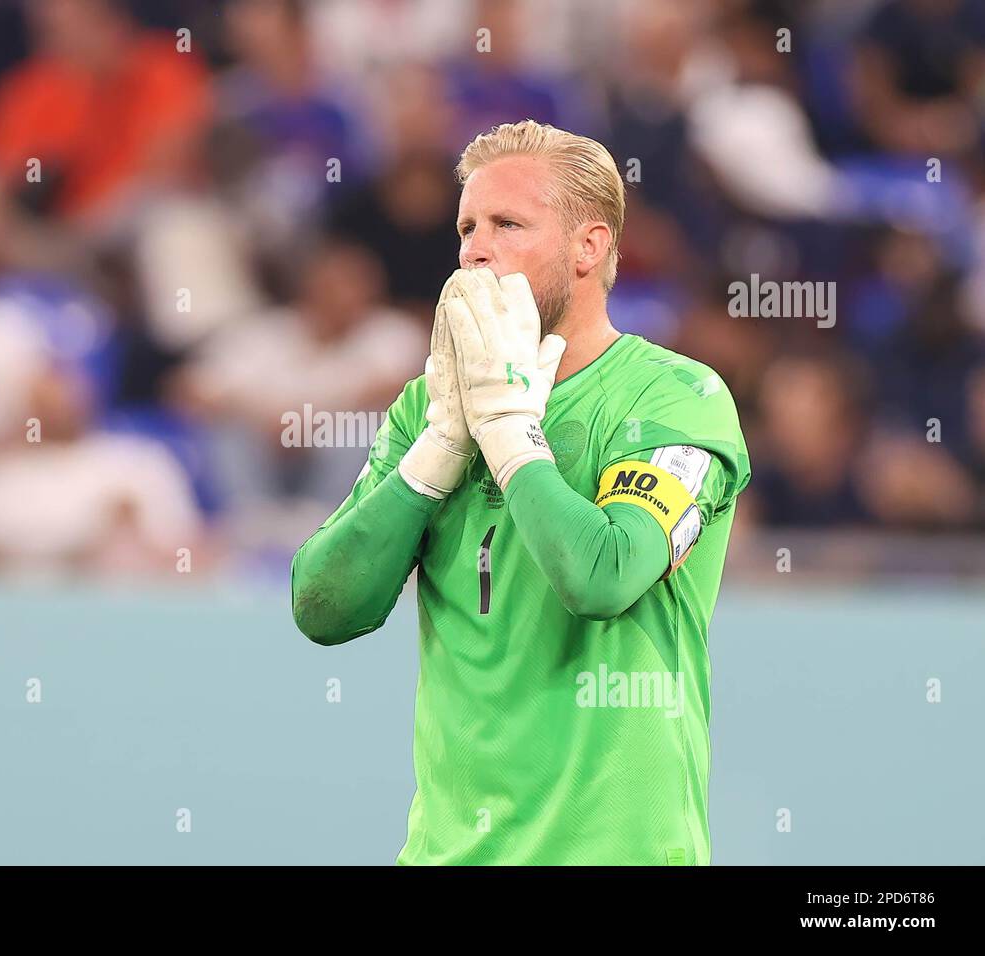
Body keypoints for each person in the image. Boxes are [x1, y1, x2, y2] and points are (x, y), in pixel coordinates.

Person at [291, 120, 752, 865]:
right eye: (467, 226)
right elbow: (322, 607)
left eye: (508, 224)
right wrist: (438, 450)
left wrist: (507, 430)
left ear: (588, 247)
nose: (475, 247)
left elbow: (602, 575)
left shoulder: (675, 396)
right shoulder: (428, 407)